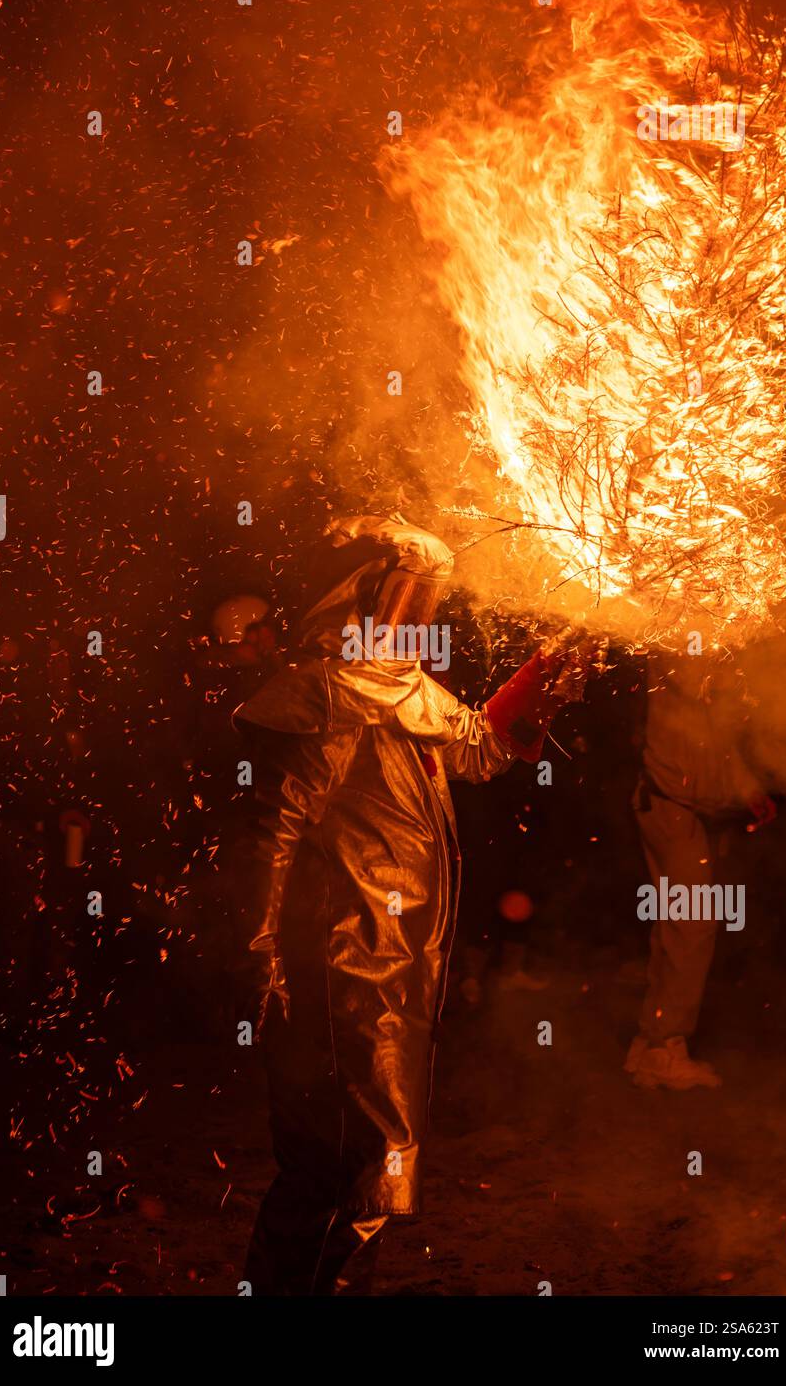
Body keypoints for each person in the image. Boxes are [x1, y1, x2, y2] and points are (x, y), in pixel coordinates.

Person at [232, 514, 593, 1294]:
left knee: (376, 1163)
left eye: (425, 602)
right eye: (406, 598)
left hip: (395, 963)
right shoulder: (323, 696)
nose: (416, 620)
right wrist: (259, 955)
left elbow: (480, 746)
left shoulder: (399, 687)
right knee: (345, 1165)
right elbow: (273, 834)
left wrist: (544, 677)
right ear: (364, 603)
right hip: (337, 962)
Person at [626, 652, 776, 1091]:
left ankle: (648, 1043)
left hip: (682, 809)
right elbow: (701, 684)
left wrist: (746, 789)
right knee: (692, 925)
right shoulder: (678, 642)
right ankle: (664, 1047)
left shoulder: (709, 648)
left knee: (676, 925)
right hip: (671, 807)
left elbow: (717, 735)